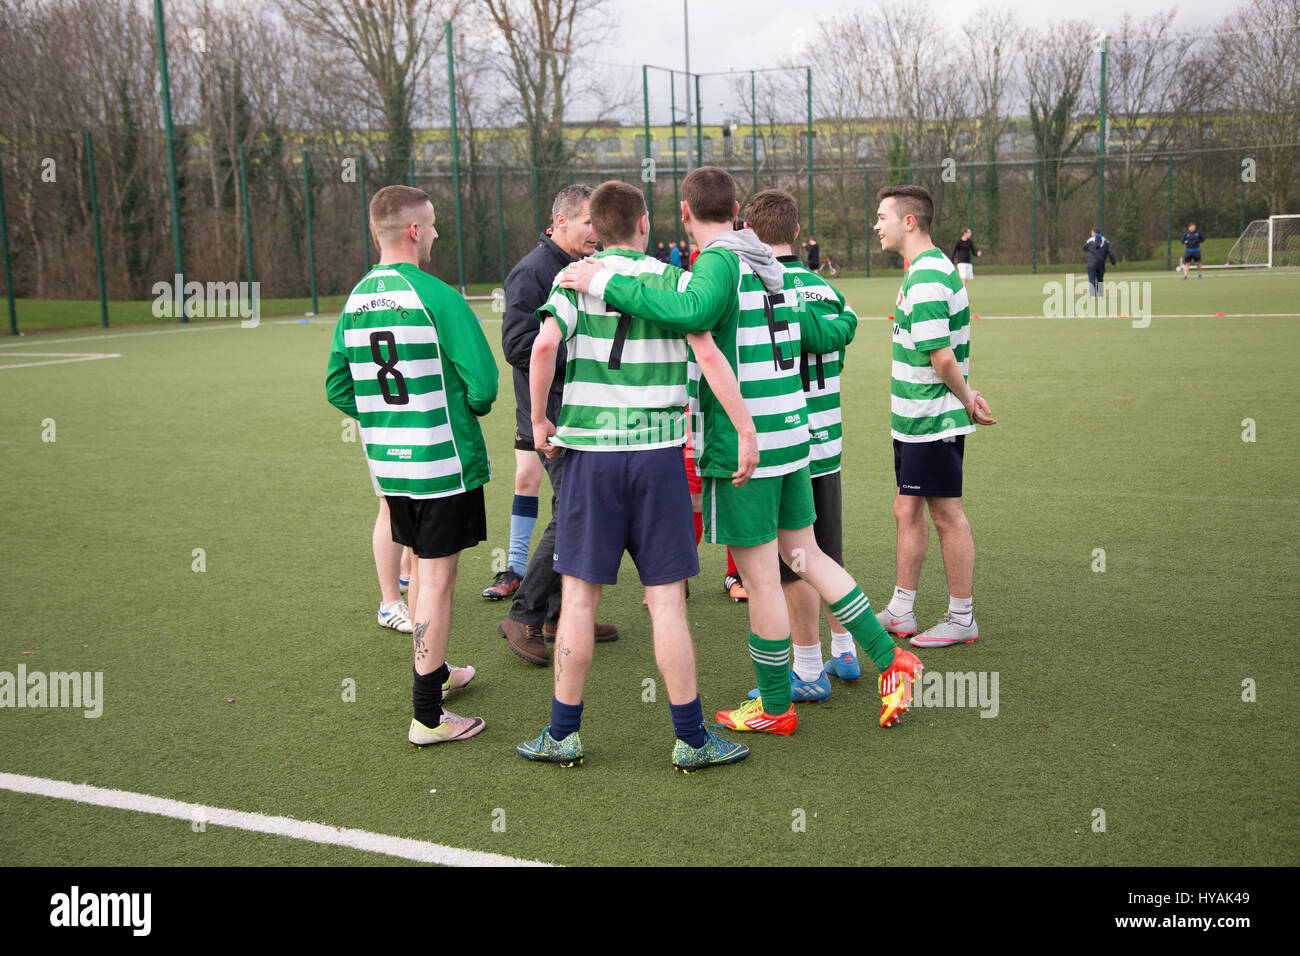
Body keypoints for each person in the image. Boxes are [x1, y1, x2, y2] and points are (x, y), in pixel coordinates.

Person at [562, 166, 924, 732]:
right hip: (792, 432)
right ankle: (891, 658)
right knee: (806, 557)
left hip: (746, 443)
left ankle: (776, 707)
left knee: (762, 579)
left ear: (684, 215)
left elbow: (694, 314)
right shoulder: (764, 259)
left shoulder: (721, 261)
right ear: (738, 212)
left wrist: (600, 282)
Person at [518, 180, 757, 772]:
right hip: (656, 457)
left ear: (593, 228)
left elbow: (543, 345)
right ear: (645, 223)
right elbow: (706, 354)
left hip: (590, 459)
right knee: (666, 603)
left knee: (576, 600)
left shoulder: (572, 279)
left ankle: (562, 734)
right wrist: (745, 429)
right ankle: (692, 740)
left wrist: (540, 418)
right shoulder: (673, 280)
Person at [325, 184, 497, 746]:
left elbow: (337, 385)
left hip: (392, 467)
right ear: (413, 231)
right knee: (439, 579)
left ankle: (438, 670)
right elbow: (485, 385)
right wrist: (447, 409)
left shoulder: (354, 299)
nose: (438, 233)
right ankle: (427, 715)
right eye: (433, 224)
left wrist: (383, 419)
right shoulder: (438, 296)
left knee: (422, 570)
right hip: (441, 463)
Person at [741, 188, 860, 703]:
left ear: (749, 234)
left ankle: (808, 669)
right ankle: (847, 649)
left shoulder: (757, 290)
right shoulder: (828, 291)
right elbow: (842, 335)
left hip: (782, 442)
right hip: (826, 438)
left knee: (795, 562)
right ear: (795, 232)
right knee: (826, 552)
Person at [871, 184, 997, 649]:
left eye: (882, 216)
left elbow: (942, 358)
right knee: (907, 507)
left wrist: (964, 398)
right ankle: (902, 609)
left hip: (931, 419)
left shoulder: (927, 276)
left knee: (946, 515)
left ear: (909, 221)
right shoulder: (924, 270)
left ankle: (961, 617)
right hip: (913, 418)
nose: (876, 224)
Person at [498, 185, 619, 664]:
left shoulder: (581, 268)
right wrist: (583, 353)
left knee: (577, 510)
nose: (596, 231)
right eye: (589, 221)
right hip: (549, 416)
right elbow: (517, 346)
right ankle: (524, 616)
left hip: (578, 413)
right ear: (561, 221)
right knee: (574, 512)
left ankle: (554, 615)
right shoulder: (533, 271)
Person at [1084, 227, 1116, 298]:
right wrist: (1113, 262)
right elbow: (1111, 253)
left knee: (1092, 279)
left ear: (1093, 233)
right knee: (1100, 279)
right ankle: (1100, 295)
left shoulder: (1090, 240)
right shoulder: (1106, 241)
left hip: (1092, 263)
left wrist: (1091, 250)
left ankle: (1092, 296)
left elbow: (1085, 247)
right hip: (1101, 263)